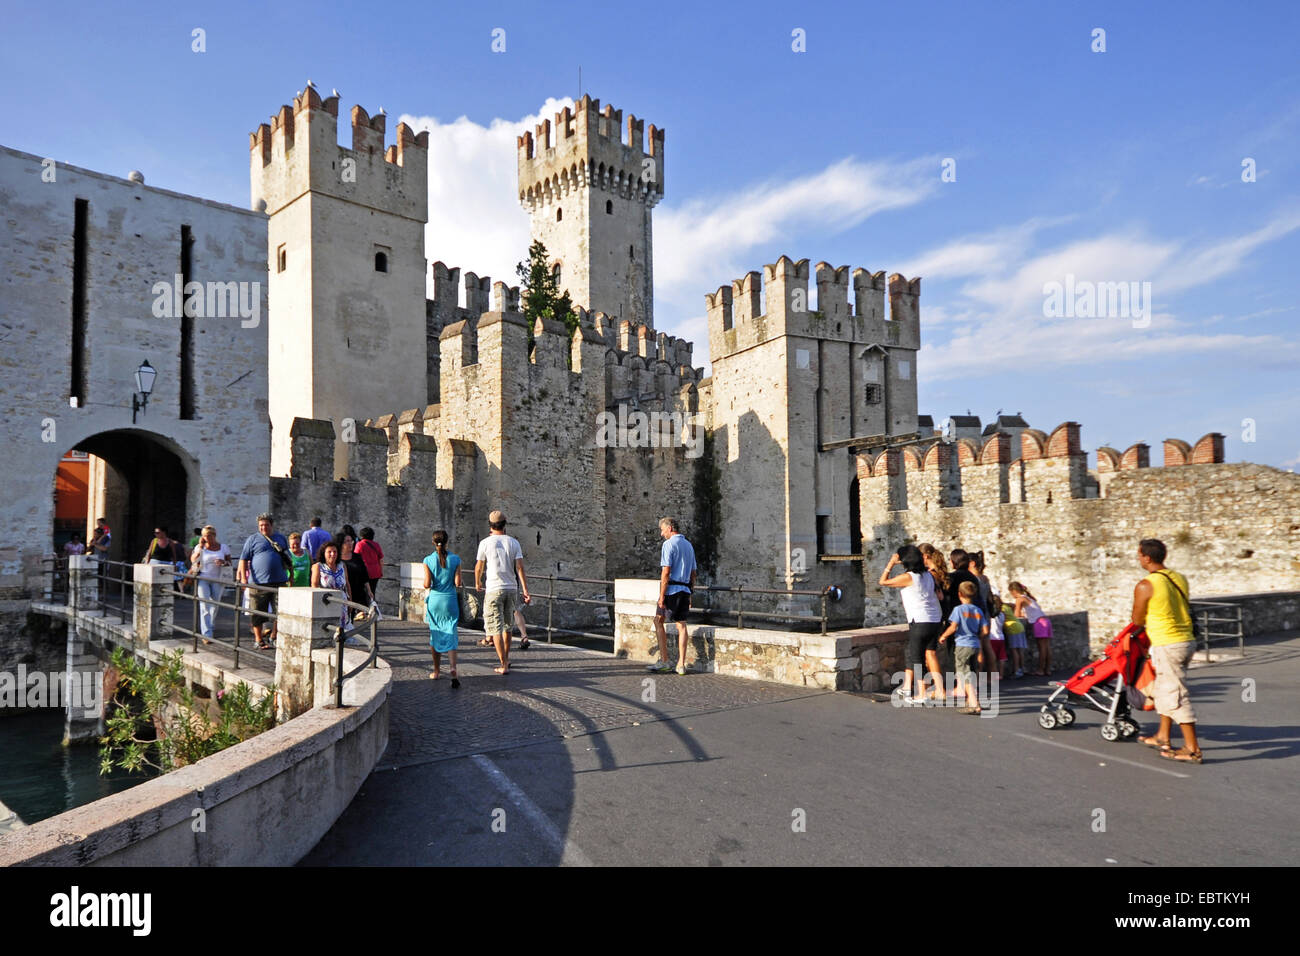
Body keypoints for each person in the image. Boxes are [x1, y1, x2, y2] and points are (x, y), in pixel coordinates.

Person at [1132, 538, 1202, 764]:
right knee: (1165, 688)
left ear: (1147, 557)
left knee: (1176, 694)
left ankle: (1192, 749)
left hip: (1167, 642)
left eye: (1139, 555)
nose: (1138, 558)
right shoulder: (1179, 578)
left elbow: (1137, 618)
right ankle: (1163, 735)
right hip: (1186, 639)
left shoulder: (1146, 584)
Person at [879, 544, 943, 704]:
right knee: (926, 653)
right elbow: (939, 595)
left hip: (919, 620)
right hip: (935, 619)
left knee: (917, 657)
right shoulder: (929, 575)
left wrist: (891, 564)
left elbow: (883, 582)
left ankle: (921, 694)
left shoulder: (909, 577)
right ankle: (917, 689)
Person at [475, 510, 530, 675]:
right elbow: (520, 568)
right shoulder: (514, 542)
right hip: (511, 588)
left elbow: (479, 566)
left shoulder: (485, 543)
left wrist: (477, 582)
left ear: (490, 525)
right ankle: (506, 659)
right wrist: (526, 591)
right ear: (505, 523)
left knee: (495, 628)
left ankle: (503, 664)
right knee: (507, 627)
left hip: (493, 589)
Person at [649, 517, 697, 675]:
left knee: (658, 620)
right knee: (682, 626)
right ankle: (681, 664)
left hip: (671, 590)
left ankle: (665, 661)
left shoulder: (668, 544)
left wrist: (661, 596)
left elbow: (666, 572)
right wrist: (691, 593)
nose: (662, 534)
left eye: (662, 530)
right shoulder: (689, 545)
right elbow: (693, 573)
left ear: (669, 528)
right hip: (685, 590)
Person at [237, 513, 291, 651]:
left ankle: (274, 635)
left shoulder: (280, 538)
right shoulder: (252, 539)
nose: (263, 527)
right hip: (258, 582)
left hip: (279, 581)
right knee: (257, 612)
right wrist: (243, 578)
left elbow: (287, 557)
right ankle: (258, 639)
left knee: (281, 611)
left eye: (266, 525)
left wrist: (291, 577)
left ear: (271, 525)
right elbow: (243, 559)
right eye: (261, 525)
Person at [938, 581, 988, 715]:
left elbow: (953, 627)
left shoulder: (958, 610)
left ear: (959, 594)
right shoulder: (978, 611)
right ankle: (970, 699)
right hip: (975, 644)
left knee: (964, 674)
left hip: (962, 644)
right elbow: (985, 630)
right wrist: (978, 636)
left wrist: (943, 636)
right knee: (971, 672)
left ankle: (973, 703)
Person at [423, 530, 462, 688]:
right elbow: (458, 583)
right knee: (451, 632)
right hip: (450, 600)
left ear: (433, 543)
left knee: (435, 633)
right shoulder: (456, 559)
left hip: (435, 600)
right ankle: (453, 668)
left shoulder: (427, 560)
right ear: (447, 542)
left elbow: (426, 584)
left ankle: (437, 670)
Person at [190, 525, 230, 644]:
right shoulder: (200, 547)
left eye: (209, 536)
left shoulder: (223, 547)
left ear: (214, 535)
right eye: (205, 536)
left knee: (215, 605)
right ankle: (207, 634)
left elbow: (229, 563)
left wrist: (223, 562)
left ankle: (210, 625)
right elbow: (193, 560)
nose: (207, 538)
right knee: (205, 605)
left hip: (218, 579)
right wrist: (201, 547)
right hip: (203, 578)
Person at [1009, 582, 1052, 675]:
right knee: (1047, 647)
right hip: (1046, 621)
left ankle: (1040, 670)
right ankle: (1047, 669)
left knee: (1042, 648)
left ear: (1013, 591)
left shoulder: (1019, 599)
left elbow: (1016, 615)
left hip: (1039, 623)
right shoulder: (1029, 597)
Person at [311, 539, 350, 630]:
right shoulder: (318, 566)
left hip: (342, 602)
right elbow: (314, 585)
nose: (332, 554)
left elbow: (347, 583)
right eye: (329, 552)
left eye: (335, 552)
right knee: (330, 628)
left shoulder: (342, 565)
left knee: (343, 628)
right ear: (323, 553)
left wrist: (350, 601)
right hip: (327, 603)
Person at [340, 532, 373, 619]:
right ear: (341, 543)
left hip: (358, 590)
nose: (350, 543)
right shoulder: (337, 558)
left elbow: (364, 574)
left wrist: (369, 590)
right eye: (347, 541)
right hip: (344, 591)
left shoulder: (357, 557)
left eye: (351, 541)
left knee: (355, 616)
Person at [355, 527, 385, 602]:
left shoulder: (360, 544)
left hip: (364, 572)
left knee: (363, 593)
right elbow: (381, 560)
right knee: (372, 591)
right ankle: (373, 608)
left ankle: (365, 610)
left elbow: (355, 557)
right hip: (376, 572)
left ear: (362, 536)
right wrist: (381, 572)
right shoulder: (376, 545)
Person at [1003, 598, 1028, 678]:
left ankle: (1016, 671)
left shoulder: (1000, 608)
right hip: (1019, 626)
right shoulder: (1005, 606)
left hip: (1013, 629)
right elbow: (1013, 605)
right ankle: (1022, 668)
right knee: (1020, 650)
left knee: (1014, 650)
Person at [986, 592, 1008, 679]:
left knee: (992, 657)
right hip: (1001, 637)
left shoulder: (991, 615)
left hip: (992, 637)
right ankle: (1001, 674)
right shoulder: (1002, 614)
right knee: (1001, 657)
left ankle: (993, 674)